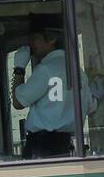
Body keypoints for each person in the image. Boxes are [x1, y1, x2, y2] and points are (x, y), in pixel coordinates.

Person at [12, 15, 76, 159]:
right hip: (66, 144)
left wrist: (19, 69)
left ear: (51, 39)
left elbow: (18, 102)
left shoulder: (45, 69)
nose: (31, 44)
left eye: (35, 38)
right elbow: (91, 106)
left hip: (42, 147)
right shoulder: (77, 71)